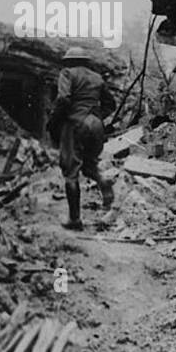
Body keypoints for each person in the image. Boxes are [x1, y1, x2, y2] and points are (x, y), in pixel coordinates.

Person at [51, 46, 114, 230]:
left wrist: (56, 120)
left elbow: (63, 99)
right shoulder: (97, 77)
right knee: (89, 166)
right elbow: (110, 104)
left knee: (71, 172)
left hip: (75, 124)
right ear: (86, 61)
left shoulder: (67, 73)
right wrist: (96, 117)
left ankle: (75, 219)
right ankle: (107, 191)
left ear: (69, 61)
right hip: (96, 125)